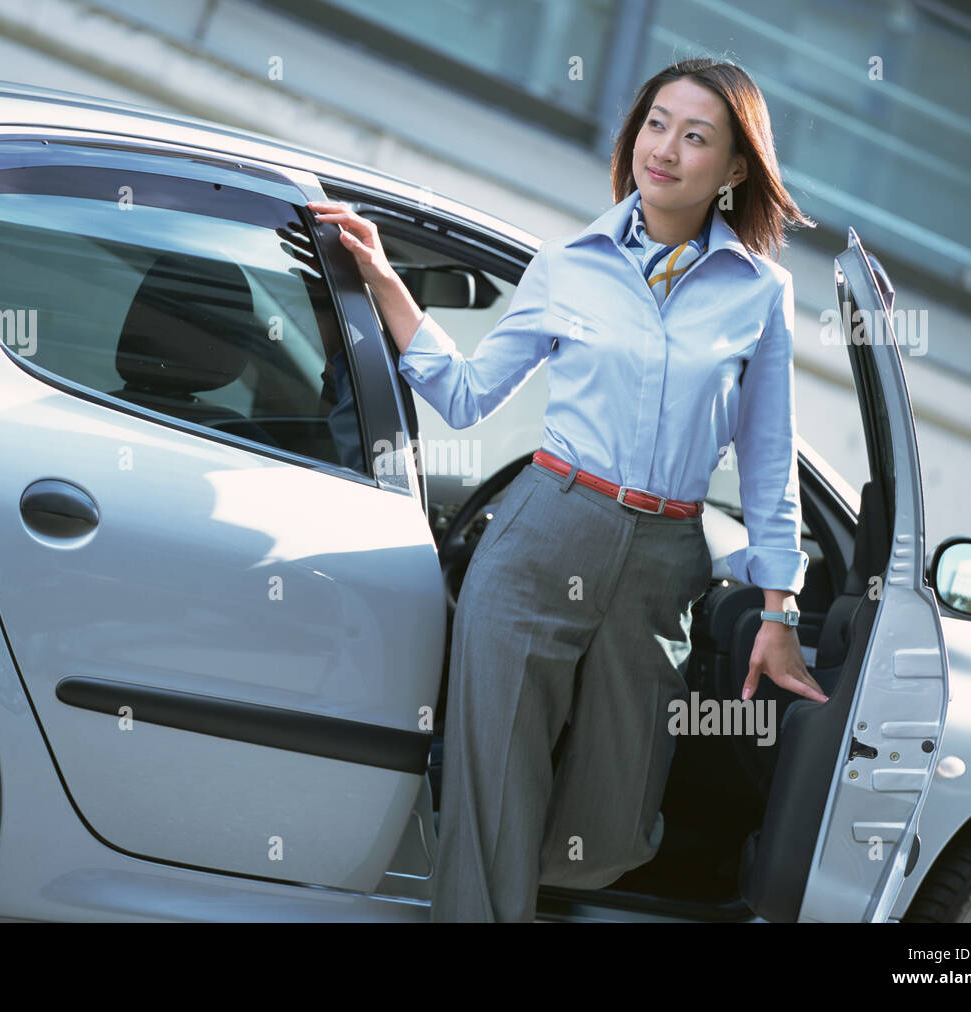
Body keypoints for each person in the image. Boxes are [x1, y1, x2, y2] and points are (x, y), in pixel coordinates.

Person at [308, 57, 830, 923]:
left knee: (615, 831)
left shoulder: (759, 295)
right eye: (657, 123)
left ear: (736, 169)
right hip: (544, 536)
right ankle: (483, 891)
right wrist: (387, 285)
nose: (665, 148)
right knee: (492, 811)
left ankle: (494, 875)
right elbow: (468, 396)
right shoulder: (569, 263)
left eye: (696, 136)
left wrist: (780, 609)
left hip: (665, 561)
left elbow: (769, 458)